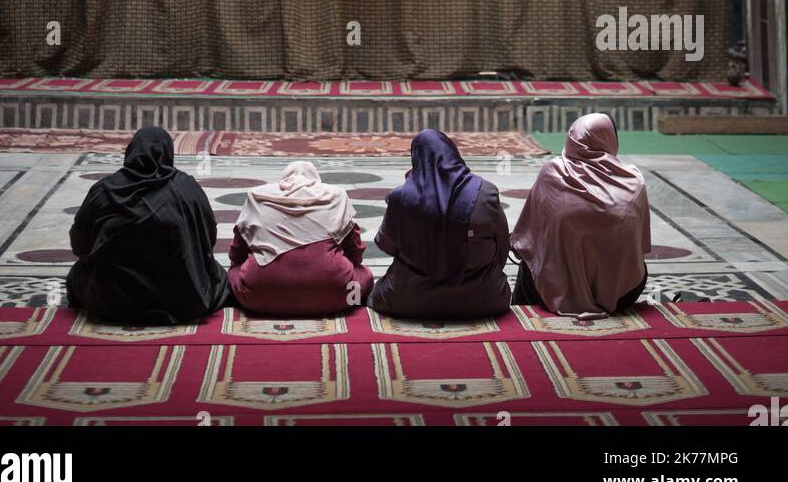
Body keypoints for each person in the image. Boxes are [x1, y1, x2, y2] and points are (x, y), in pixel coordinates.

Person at [66, 125, 231, 324]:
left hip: (113, 300)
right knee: (218, 276)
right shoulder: (186, 188)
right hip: (183, 299)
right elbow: (208, 239)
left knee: (78, 274)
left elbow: (80, 246)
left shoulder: (105, 190)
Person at [511, 112, 650, 318]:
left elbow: (525, 240)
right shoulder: (633, 180)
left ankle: (518, 317)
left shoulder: (553, 172)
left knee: (531, 260)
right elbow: (639, 246)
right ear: (609, 139)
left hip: (550, 291)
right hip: (621, 293)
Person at [370, 129, 512, 319]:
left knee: (366, 286)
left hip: (408, 299)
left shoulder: (401, 197)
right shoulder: (486, 192)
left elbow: (386, 245)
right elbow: (502, 247)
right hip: (485, 299)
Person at [228, 160, 373, 315]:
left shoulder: (257, 197)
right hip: (339, 297)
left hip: (255, 298)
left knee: (233, 273)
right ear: (316, 181)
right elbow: (355, 251)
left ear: (283, 180)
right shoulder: (336, 197)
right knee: (365, 276)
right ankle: (353, 304)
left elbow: (236, 253)